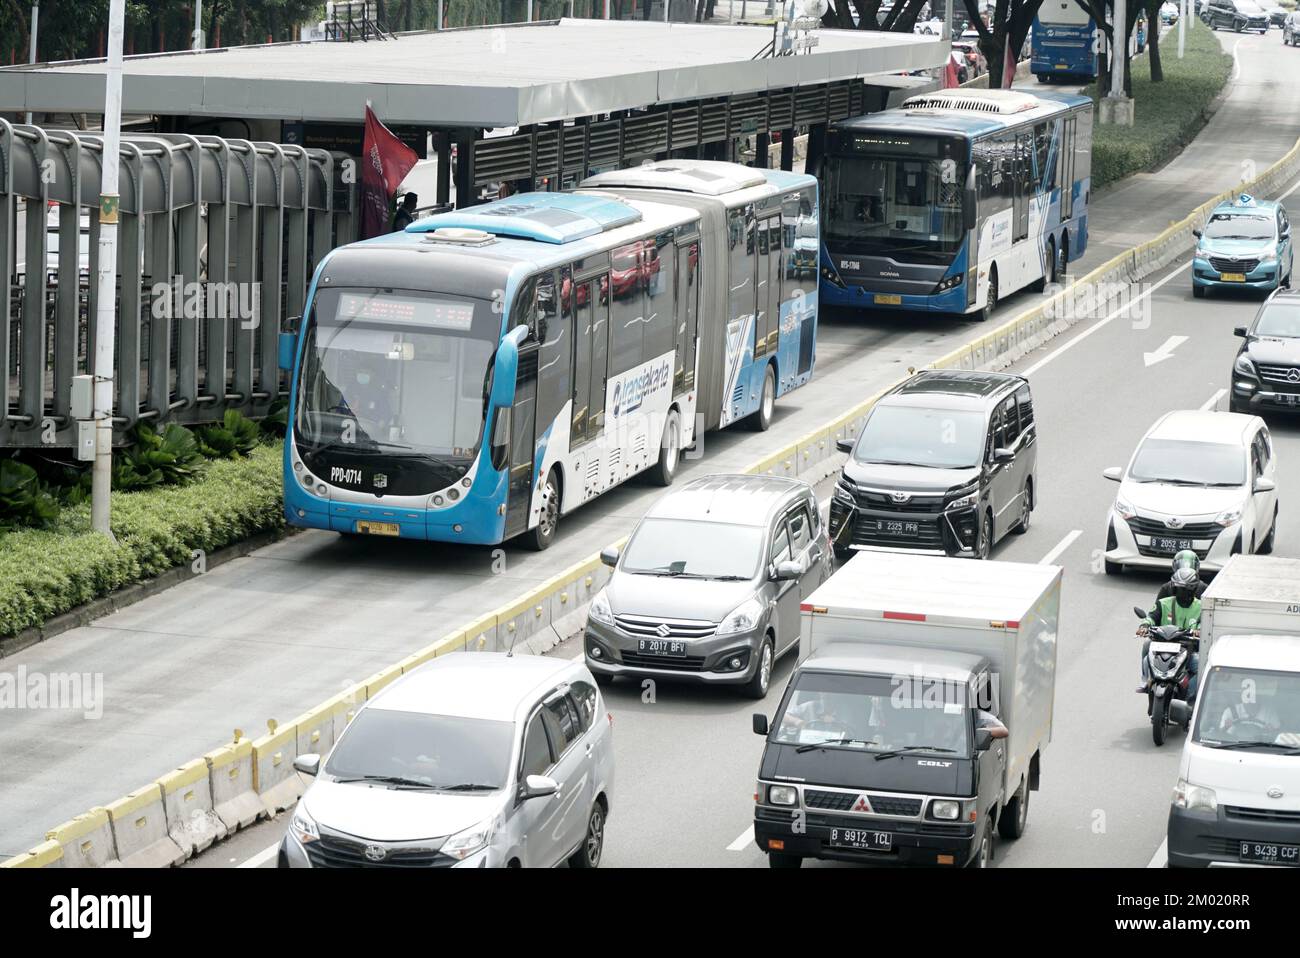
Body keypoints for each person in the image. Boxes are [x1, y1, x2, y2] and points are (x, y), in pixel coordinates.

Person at [1137, 567, 1202, 699]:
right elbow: (1151, 617)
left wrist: (1199, 631)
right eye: (1179, 588)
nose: (1182, 592)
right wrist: (1144, 625)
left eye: (1186, 589)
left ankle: (1188, 696)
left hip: (1187, 650)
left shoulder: (1202, 607)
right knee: (1147, 647)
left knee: (1201, 667)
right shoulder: (1163, 603)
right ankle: (1145, 681)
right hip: (1162, 645)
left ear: (1193, 590)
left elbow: (1203, 625)